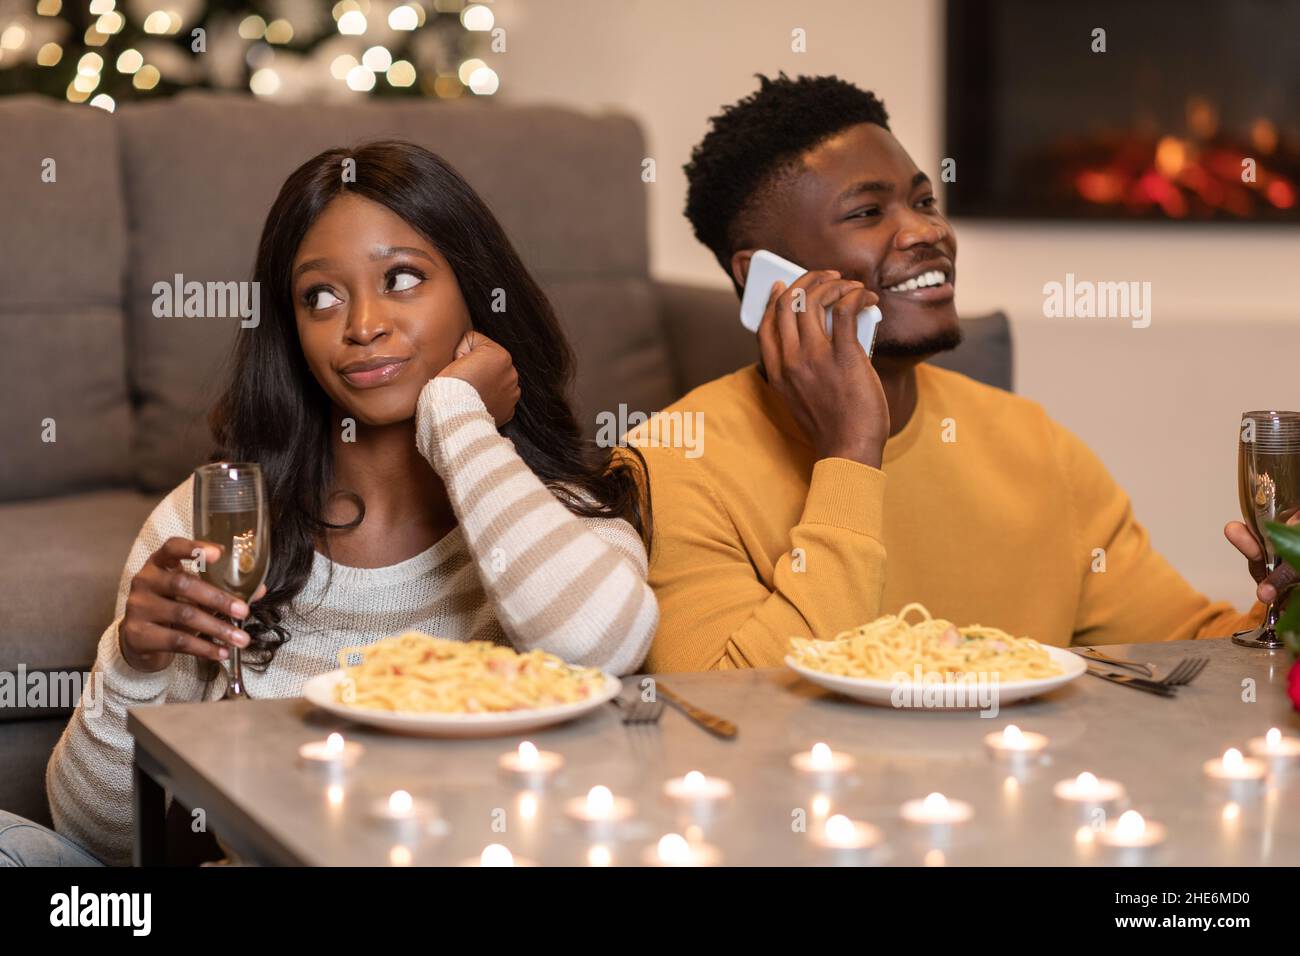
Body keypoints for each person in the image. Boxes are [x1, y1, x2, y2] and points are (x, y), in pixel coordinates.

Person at [3, 141, 657, 867]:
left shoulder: (561, 513)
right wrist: (135, 662)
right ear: (292, 331)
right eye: (322, 296)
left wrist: (455, 414)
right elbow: (98, 840)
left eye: (402, 278)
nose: (363, 325)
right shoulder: (219, 522)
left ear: (478, 293)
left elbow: (596, 644)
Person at [626, 72, 1282, 672]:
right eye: (867, 212)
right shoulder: (674, 464)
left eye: (924, 201)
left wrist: (1287, 610)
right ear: (764, 278)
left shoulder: (1033, 443)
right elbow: (721, 715)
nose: (924, 232)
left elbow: (1196, 653)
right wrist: (851, 454)